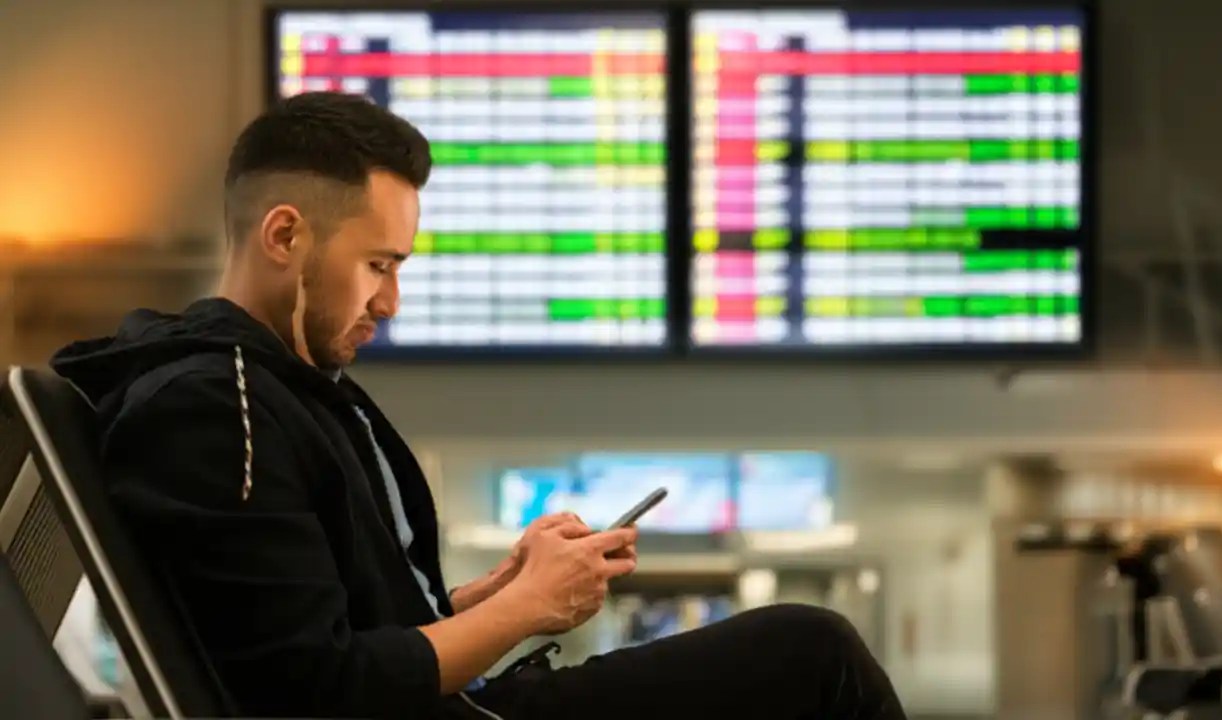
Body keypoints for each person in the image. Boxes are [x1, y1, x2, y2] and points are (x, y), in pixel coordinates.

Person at [51, 91, 906, 720]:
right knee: (812, 652)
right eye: (380, 264)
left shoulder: (265, 390)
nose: (391, 302)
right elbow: (316, 691)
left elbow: (332, 630)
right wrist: (523, 610)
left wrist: (491, 594)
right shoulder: (218, 409)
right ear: (284, 236)